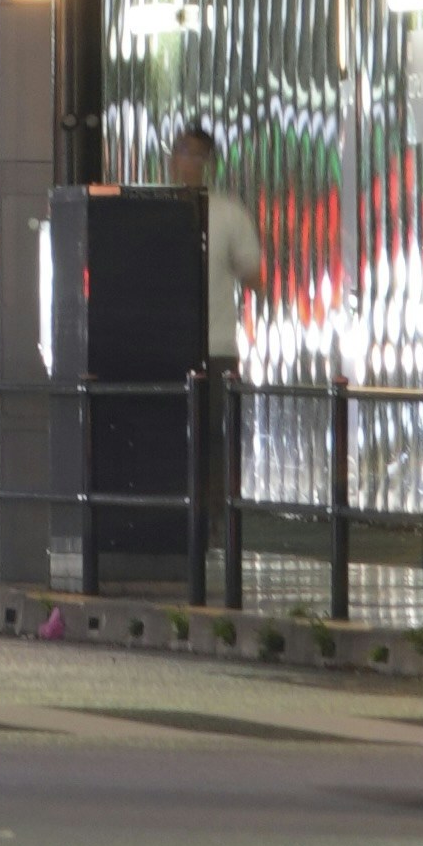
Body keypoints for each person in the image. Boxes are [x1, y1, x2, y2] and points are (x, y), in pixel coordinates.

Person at [171, 111, 267, 585]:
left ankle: (214, 522)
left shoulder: (228, 213)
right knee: (187, 439)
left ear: (208, 161)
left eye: (194, 154)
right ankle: (183, 518)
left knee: (213, 440)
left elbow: (254, 272)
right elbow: (253, 273)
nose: (184, 162)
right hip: (174, 345)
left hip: (216, 345)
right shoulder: (159, 208)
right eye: (180, 151)